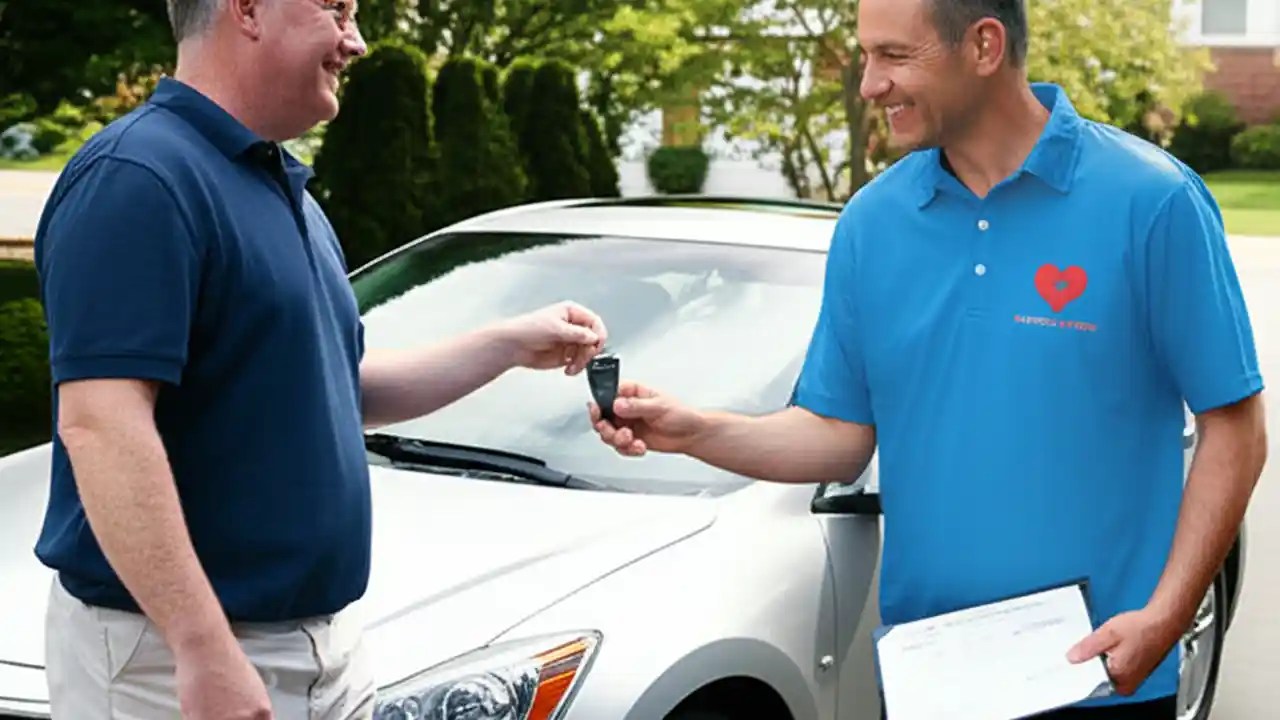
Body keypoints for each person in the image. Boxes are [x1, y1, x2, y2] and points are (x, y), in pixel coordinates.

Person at [589, 0, 1267, 717]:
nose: (869, 84)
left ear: (984, 46)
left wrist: (1166, 615)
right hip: (934, 681)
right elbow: (839, 434)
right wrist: (695, 431)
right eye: (867, 56)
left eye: (894, 55)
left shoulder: (1153, 201)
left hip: (1101, 682)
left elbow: (1236, 426)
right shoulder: (872, 224)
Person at [31, 0, 609, 718]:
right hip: (169, 663)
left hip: (318, 651)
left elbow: (340, 389)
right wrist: (201, 646)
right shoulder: (138, 177)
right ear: (248, 9)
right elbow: (102, 426)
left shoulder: (281, 187)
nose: (356, 42)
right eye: (336, 9)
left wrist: (508, 344)